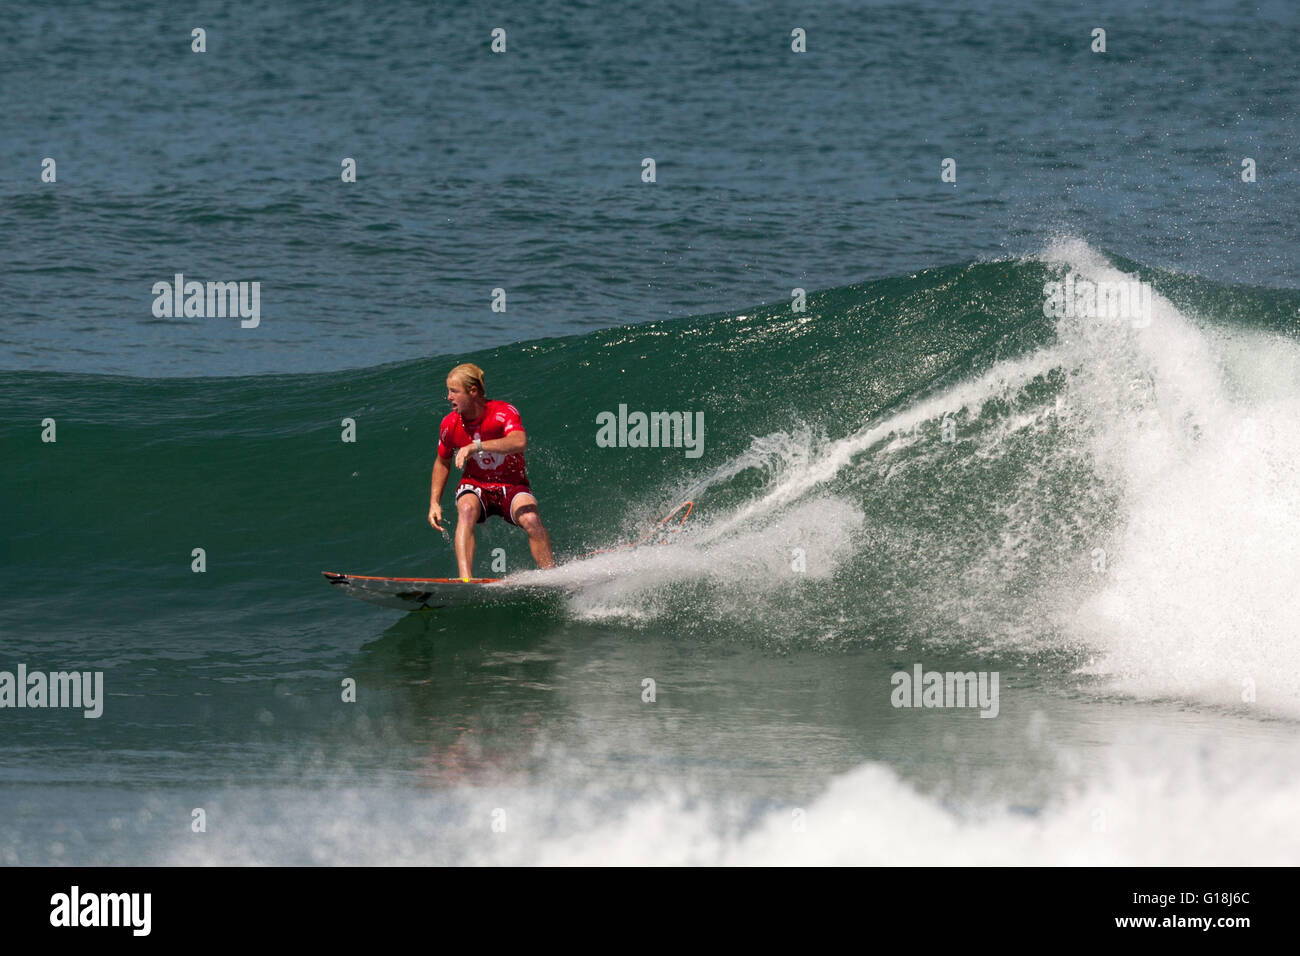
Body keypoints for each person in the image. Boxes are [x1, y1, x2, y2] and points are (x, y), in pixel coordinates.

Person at [427, 363, 555, 579]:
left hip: (512, 484)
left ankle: (553, 577)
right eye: (448, 391)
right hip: (475, 484)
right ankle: (466, 580)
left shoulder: (503, 412)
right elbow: (442, 462)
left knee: (531, 519)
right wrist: (434, 502)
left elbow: (519, 441)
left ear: (473, 391)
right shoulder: (449, 424)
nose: (448, 397)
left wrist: (476, 446)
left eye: (454, 391)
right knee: (466, 509)